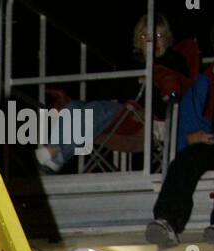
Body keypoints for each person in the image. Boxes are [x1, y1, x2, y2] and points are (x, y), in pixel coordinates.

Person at [36, 12, 192, 173]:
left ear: (167, 38)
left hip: (147, 116)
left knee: (99, 109)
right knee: (73, 107)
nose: (152, 41)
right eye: (145, 36)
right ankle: (57, 157)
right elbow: (111, 92)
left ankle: (56, 150)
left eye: (158, 35)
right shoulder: (129, 64)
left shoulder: (174, 60)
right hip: (122, 113)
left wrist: (149, 79)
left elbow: (173, 93)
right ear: (139, 40)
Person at [146, 20, 214, 245]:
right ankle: (167, 221)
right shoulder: (207, 80)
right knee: (187, 157)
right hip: (212, 143)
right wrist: (192, 137)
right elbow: (188, 120)